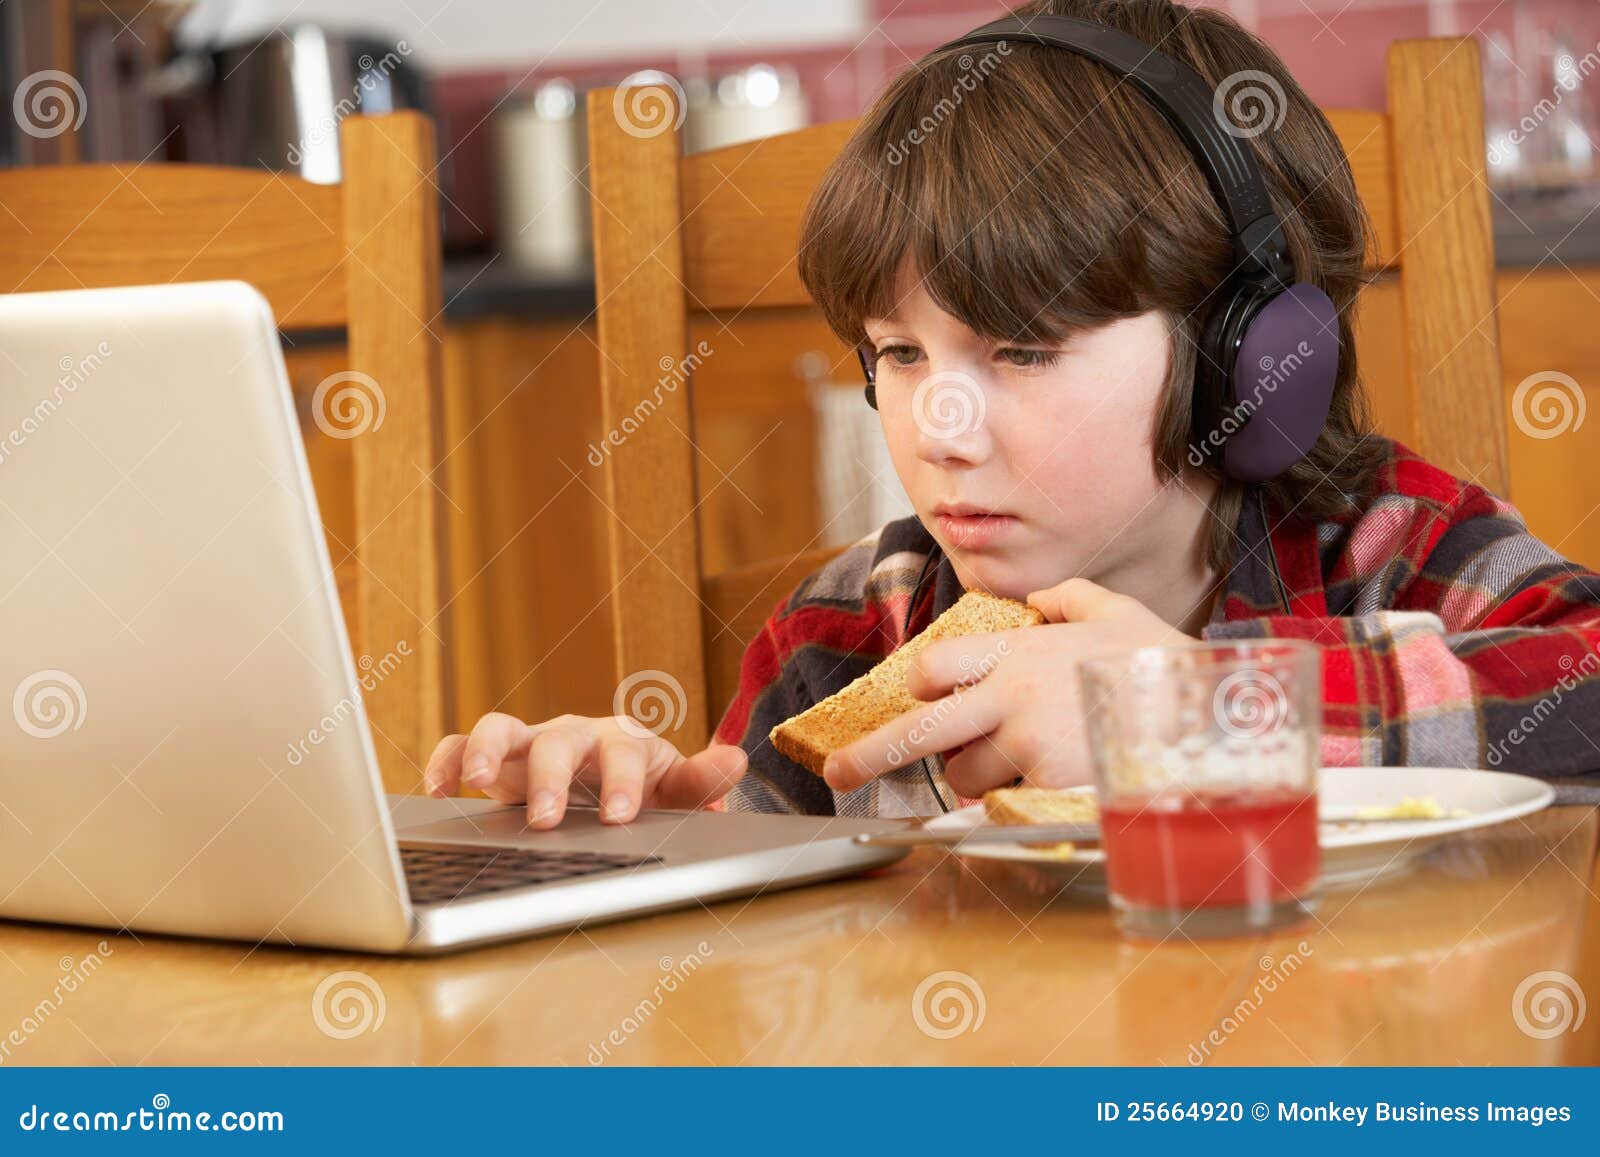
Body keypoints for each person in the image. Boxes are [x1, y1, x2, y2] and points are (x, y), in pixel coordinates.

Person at [423, 0, 1600, 824]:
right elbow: (766, 961)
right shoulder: (853, 631)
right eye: (896, 351)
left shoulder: (1393, 551)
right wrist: (645, 833)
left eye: (1022, 350)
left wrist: (1193, 715)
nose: (936, 426)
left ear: (1246, 362)